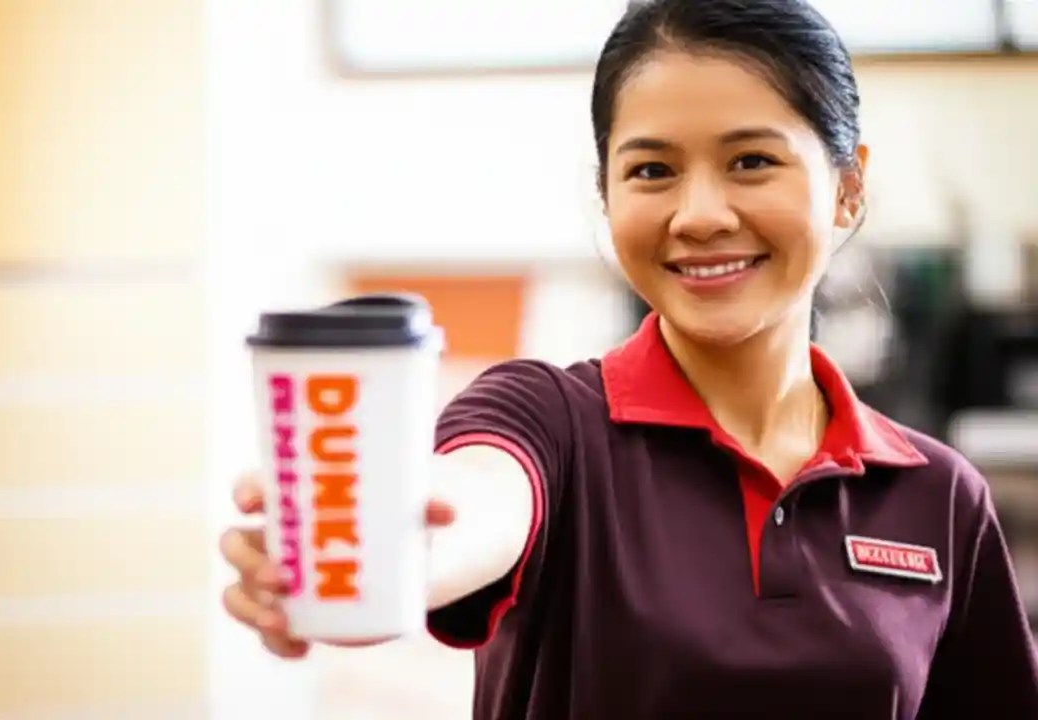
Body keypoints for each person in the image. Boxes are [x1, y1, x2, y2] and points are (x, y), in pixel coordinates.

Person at [218, 0, 1038, 716]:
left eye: (752, 161)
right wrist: (374, 553)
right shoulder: (547, 423)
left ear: (848, 187)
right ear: (606, 196)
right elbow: (472, 505)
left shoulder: (940, 499)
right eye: (652, 170)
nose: (700, 214)